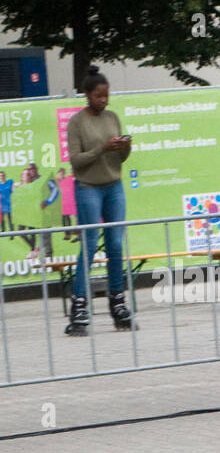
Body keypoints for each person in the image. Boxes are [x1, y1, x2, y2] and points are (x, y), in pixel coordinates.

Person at [64, 66, 133, 334]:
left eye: (107, 96)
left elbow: (121, 160)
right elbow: (76, 161)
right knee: (90, 244)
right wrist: (102, 148)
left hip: (114, 185)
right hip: (88, 187)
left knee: (115, 243)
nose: (103, 100)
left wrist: (125, 147)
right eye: (98, 96)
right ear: (87, 94)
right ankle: (79, 305)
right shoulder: (77, 122)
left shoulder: (113, 118)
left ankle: (117, 300)